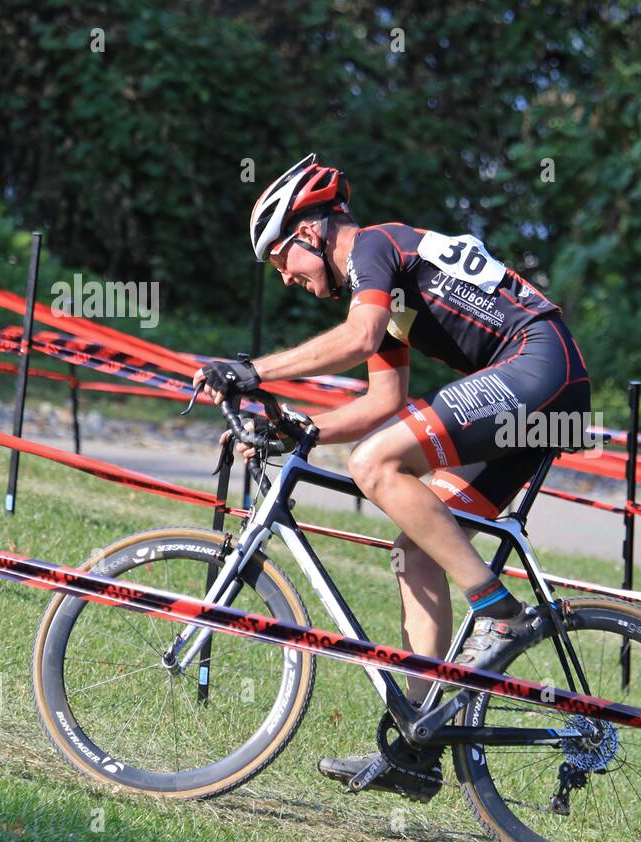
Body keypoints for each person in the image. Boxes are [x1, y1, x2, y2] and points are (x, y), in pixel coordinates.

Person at [194, 154, 591, 800]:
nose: (286, 279)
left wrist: (253, 372)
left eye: (280, 261)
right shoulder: (384, 289)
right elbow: (383, 400)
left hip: (538, 365)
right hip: (544, 383)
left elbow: (359, 336)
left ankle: (501, 617)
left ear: (308, 234)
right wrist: (304, 430)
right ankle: (419, 742)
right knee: (415, 549)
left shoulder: (374, 248)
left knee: (374, 463)